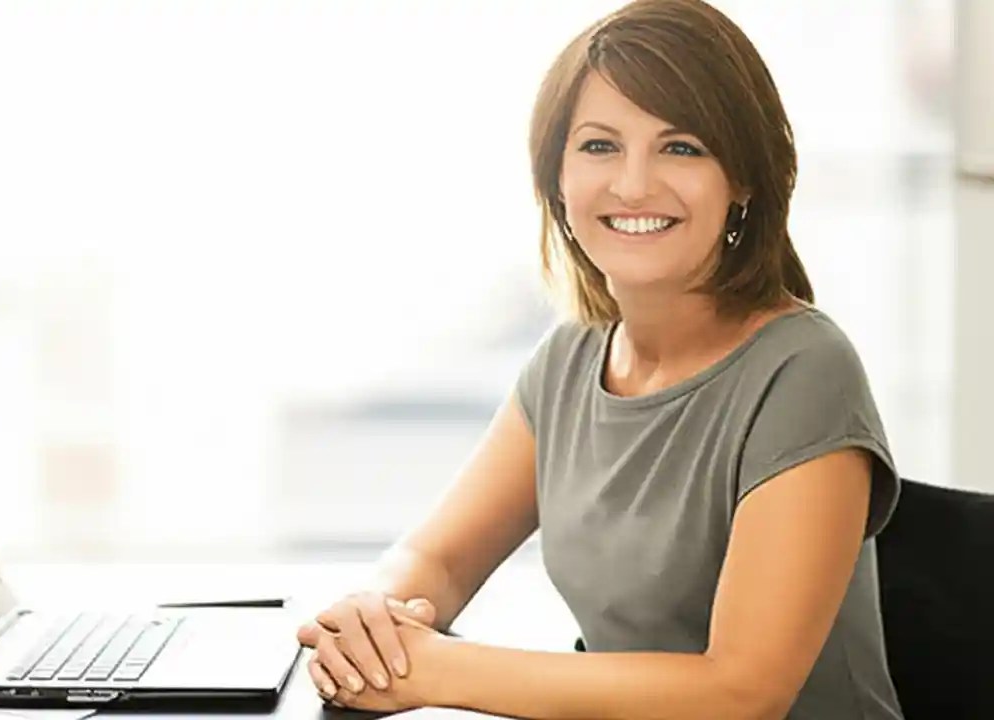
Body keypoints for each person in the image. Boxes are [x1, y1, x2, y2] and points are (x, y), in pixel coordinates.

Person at [294, 0, 905, 718]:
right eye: (599, 146)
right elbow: (439, 561)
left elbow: (742, 692)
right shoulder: (570, 359)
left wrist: (438, 671)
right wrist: (372, 619)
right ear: (556, 178)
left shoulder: (805, 371)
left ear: (744, 178)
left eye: (682, 148)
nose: (634, 184)